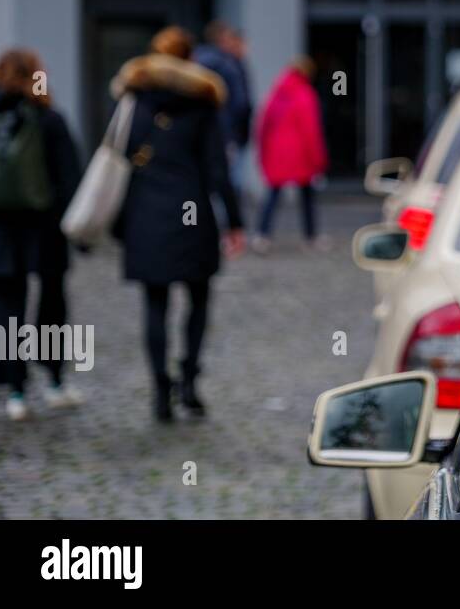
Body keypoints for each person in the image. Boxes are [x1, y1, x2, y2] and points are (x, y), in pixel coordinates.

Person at [111, 26, 245, 422]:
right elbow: (218, 169)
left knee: (155, 302)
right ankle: (188, 381)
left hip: (145, 214)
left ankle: (159, 389)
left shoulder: (133, 99)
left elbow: (119, 155)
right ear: (190, 59)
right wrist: (235, 222)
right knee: (198, 298)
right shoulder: (203, 103)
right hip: (192, 213)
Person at [0, 49, 83, 421]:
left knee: (7, 310)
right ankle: (55, 382)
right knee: (51, 304)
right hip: (44, 228)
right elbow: (70, 177)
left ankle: (15, 392)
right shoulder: (49, 119)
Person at [254, 56, 328, 253]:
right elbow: (311, 130)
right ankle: (310, 236)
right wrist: (318, 159)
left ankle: (262, 235)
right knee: (306, 197)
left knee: (273, 195)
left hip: (276, 154)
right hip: (300, 155)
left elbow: (262, 127)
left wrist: (262, 153)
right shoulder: (305, 95)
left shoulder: (277, 94)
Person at [192, 21, 253, 190]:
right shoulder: (227, 65)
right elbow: (241, 104)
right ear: (222, 40)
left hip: (204, 132)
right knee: (227, 184)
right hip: (226, 133)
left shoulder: (197, 60)